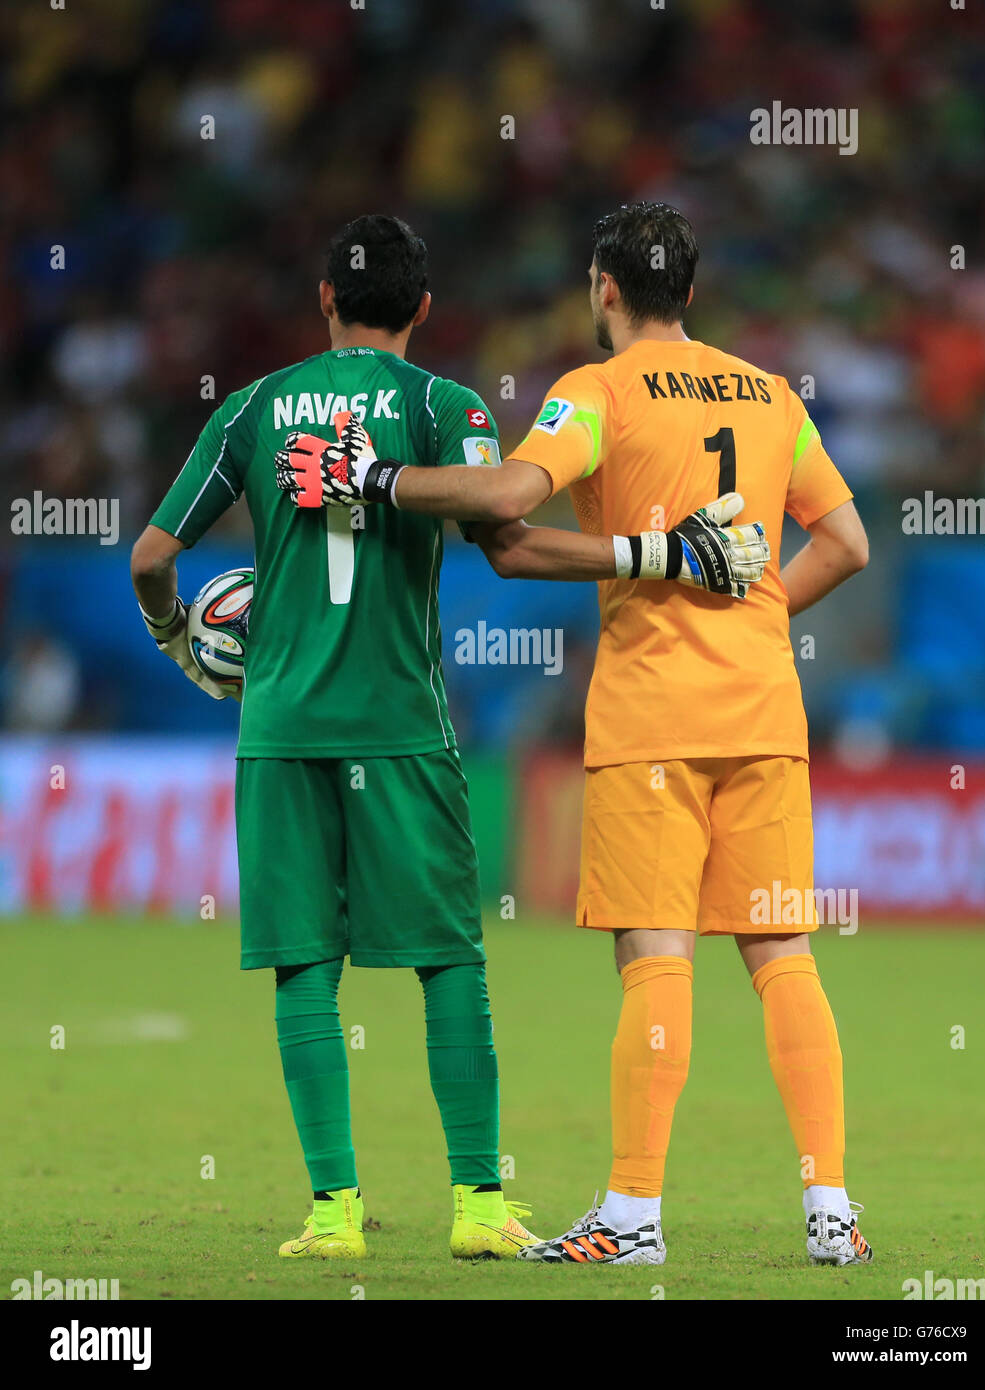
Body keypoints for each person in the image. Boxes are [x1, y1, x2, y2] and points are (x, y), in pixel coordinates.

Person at [130, 212, 766, 1263]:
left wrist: (179, 643)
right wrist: (659, 553)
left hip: (280, 725)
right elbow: (510, 544)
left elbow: (156, 555)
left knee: (302, 963)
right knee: (448, 961)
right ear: (425, 310)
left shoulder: (249, 409)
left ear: (324, 300)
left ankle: (333, 1215)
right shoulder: (446, 407)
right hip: (403, 723)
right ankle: (477, 1203)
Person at [277, 200, 870, 1269]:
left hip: (653, 716)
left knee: (656, 959)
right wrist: (757, 611)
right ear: (686, 291)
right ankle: (831, 1206)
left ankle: (633, 1215)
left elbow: (508, 505)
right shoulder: (774, 394)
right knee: (783, 952)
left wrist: (378, 479)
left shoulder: (597, 392)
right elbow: (849, 539)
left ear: (603, 289)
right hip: (767, 713)